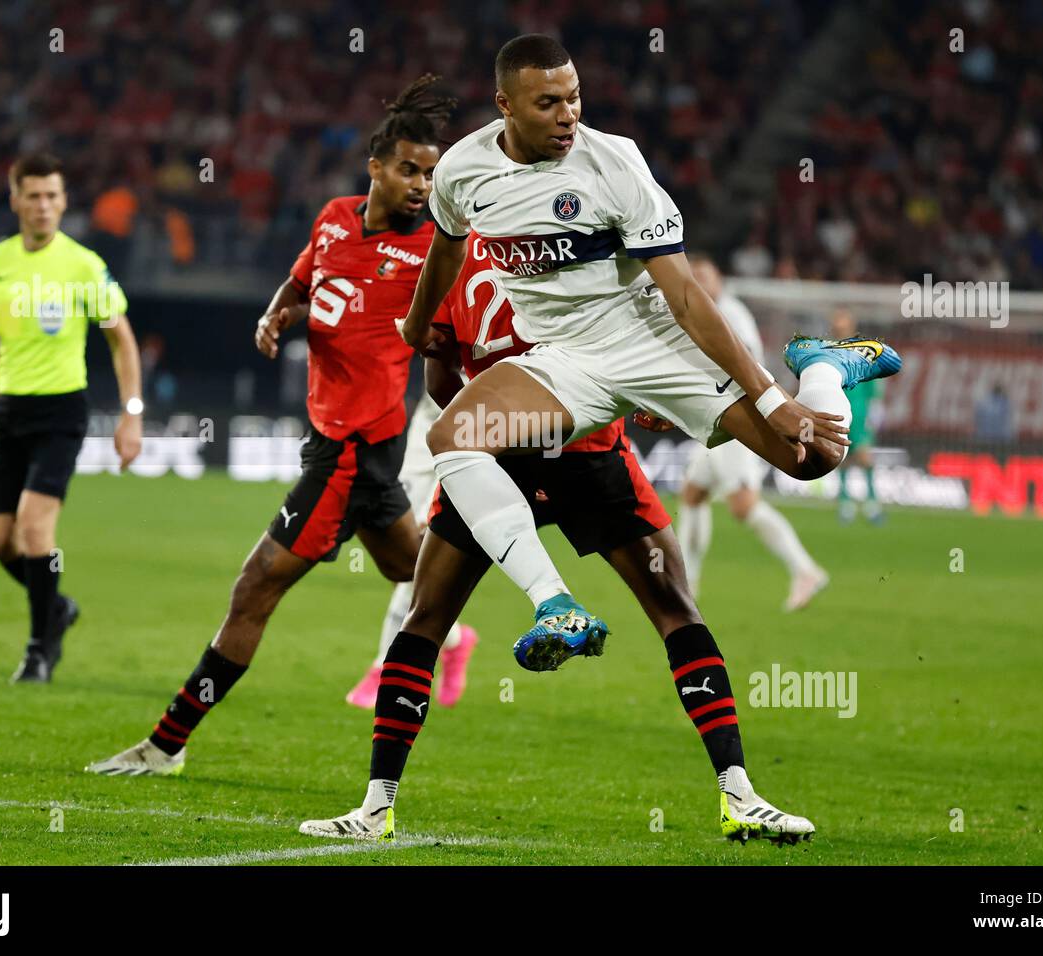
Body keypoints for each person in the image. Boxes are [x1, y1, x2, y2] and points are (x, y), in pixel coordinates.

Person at [399, 34, 900, 671]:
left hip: (653, 342)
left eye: (575, 98)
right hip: (566, 358)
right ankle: (555, 603)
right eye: (548, 102)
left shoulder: (615, 166)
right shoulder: (462, 170)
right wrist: (417, 325)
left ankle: (826, 365)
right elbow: (446, 247)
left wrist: (774, 399)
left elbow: (686, 297)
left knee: (812, 459)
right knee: (455, 437)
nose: (568, 115)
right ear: (505, 104)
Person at [300, 232, 815, 844]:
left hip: (493, 457)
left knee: (423, 620)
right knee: (676, 610)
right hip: (591, 457)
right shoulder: (574, 245)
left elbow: (443, 387)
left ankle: (376, 808)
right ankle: (740, 794)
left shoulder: (453, 263)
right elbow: (644, 343)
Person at [86, 76, 458, 776]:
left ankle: (166, 744)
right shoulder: (334, 219)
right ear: (374, 167)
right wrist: (276, 313)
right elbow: (302, 280)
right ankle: (469, 616)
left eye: (431, 175)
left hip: (348, 454)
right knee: (415, 574)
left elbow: (462, 319)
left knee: (255, 586)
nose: (420, 185)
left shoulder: (434, 251)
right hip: (359, 452)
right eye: (408, 169)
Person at [0, 152, 144, 683]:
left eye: (53, 195)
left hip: (62, 411)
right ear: (16, 200)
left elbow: (121, 341)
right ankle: (56, 606)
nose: (44, 205)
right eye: (34, 195)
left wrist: (132, 414)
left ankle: (38, 649)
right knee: (0, 539)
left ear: (64, 200)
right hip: (9, 412)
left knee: (34, 528)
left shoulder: (82, 264)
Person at [676, 255, 827, 611]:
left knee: (742, 506)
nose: (698, 282)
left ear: (720, 282)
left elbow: (740, 356)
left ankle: (805, 571)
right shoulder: (703, 310)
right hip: (716, 418)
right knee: (693, 494)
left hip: (737, 419)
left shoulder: (729, 311)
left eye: (704, 276)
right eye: (692, 276)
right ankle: (688, 582)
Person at [343, 391, 479, 710]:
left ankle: (383, 668)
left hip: (484, 421)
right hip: (431, 417)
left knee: (421, 554)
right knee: (405, 553)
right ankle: (456, 640)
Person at [829, 308, 886, 524]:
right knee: (840, 457)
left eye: (843, 328)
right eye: (837, 329)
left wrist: (876, 411)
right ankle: (845, 503)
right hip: (836, 411)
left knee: (864, 457)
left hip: (859, 414)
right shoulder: (827, 353)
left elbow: (873, 387)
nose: (839, 332)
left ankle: (871, 502)